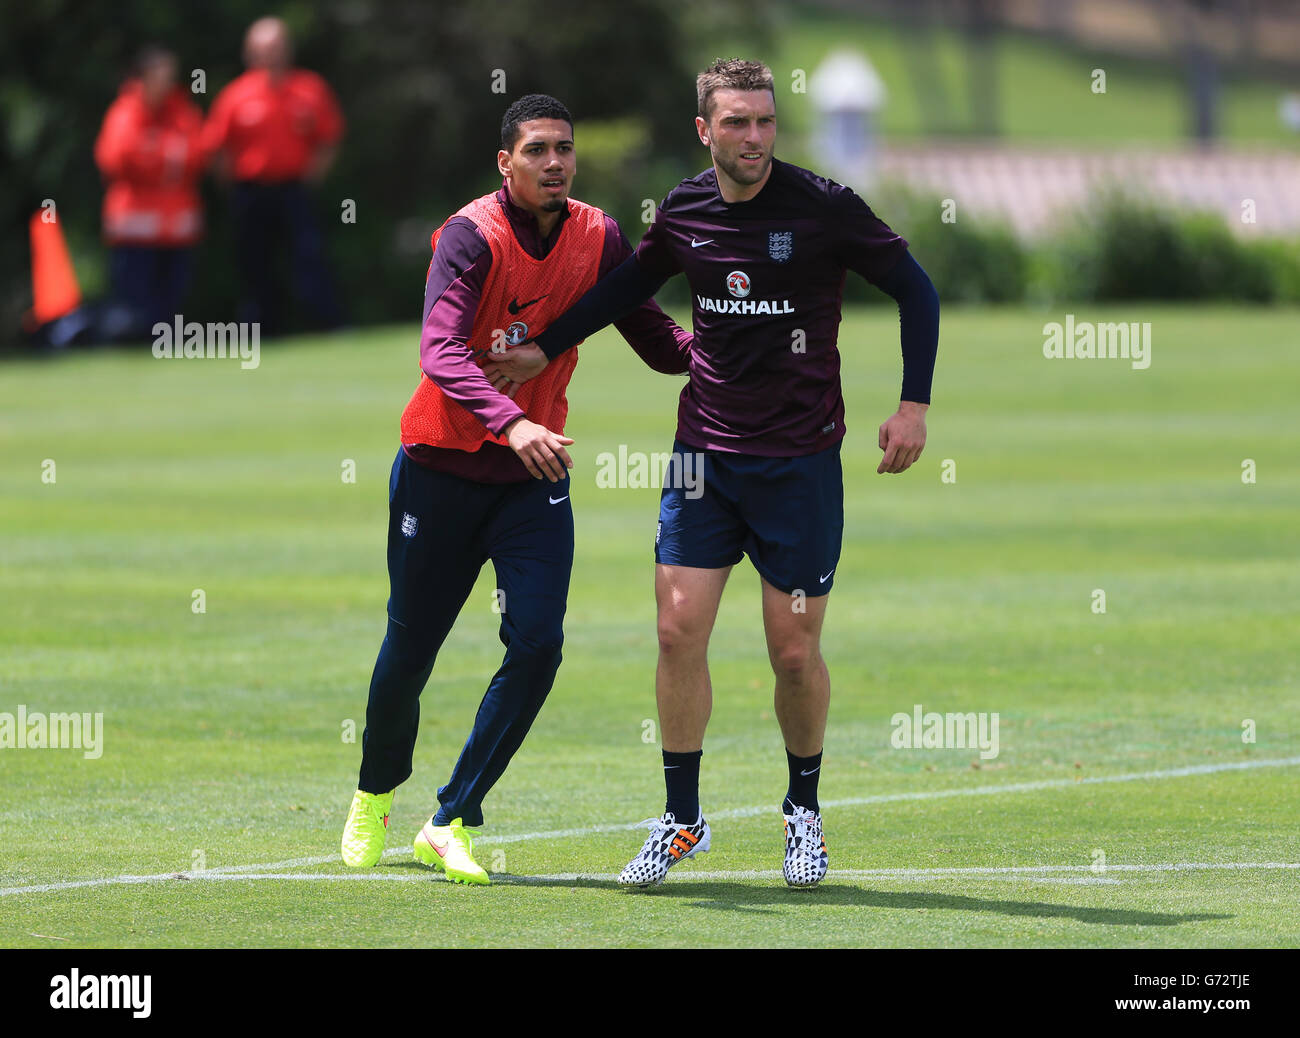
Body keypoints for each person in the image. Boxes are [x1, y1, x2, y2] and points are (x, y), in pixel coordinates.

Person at [487, 59, 940, 888]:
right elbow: (625, 286)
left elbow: (917, 290)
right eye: (736, 122)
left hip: (800, 463)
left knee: (794, 652)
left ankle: (802, 811)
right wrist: (543, 347)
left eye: (765, 121)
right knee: (675, 630)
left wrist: (913, 406)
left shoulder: (823, 207)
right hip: (705, 458)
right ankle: (681, 819)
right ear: (706, 130)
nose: (755, 137)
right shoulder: (686, 209)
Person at [340, 94, 693, 885]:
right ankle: (374, 790)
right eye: (536, 150)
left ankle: (453, 814)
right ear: (506, 163)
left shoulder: (599, 235)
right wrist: (513, 421)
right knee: (411, 648)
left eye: (564, 148)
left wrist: (737, 348)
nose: (555, 162)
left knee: (537, 645)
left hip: (533, 482)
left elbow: (656, 338)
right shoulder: (471, 236)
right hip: (440, 468)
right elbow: (441, 351)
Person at [202, 17, 344, 334]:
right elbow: (217, 148)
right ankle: (261, 329)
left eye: (277, 47)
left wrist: (312, 177)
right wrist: (234, 187)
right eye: (264, 49)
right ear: (249, 52)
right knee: (254, 262)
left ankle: (325, 325)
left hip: (294, 190)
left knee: (309, 257)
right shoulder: (234, 96)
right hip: (250, 192)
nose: (271, 55)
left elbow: (329, 138)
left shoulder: (310, 89)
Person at [93, 46, 206, 341]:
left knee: (172, 296)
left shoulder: (183, 111)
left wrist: (154, 158)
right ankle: (130, 345)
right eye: (159, 75)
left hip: (176, 224)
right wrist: (164, 161)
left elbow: (198, 154)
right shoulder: (125, 112)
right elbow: (115, 158)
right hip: (136, 225)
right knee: (133, 300)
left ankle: (166, 344)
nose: (166, 82)